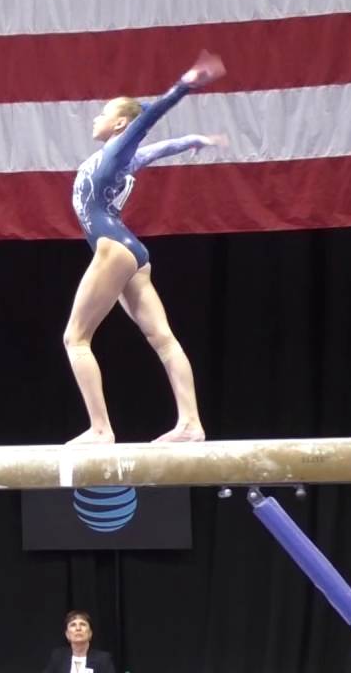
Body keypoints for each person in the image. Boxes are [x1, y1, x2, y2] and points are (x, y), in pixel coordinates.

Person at [63, 50, 227, 445]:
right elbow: (163, 149)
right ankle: (190, 423)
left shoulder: (119, 149)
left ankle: (101, 429)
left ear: (120, 122)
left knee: (76, 339)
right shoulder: (125, 159)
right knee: (163, 338)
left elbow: (149, 119)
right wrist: (195, 140)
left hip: (112, 248)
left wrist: (184, 85)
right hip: (132, 252)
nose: (95, 117)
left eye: (103, 112)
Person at [40, 610, 116, 673]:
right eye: (73, 625)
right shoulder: (58, 657)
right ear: (67, 634)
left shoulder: (103, 659)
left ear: (90, 633)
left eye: (83, 624)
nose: (78, 628)